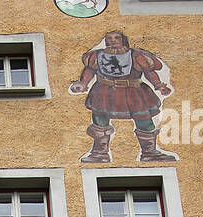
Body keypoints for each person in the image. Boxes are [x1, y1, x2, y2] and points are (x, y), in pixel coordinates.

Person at [69, 30, 176, 163]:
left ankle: (149, 152)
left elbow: (148, 71)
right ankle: (99, 153)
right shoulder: (97, 56)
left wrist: (159, 85)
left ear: (123, 39)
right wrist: (83, 83)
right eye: (109, 38)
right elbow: (89, 70)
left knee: (144, 118)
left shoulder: (136, 55)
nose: (113, 40)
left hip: (133, 91)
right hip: (104, 92)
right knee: (100, 119)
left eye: (116, 37)